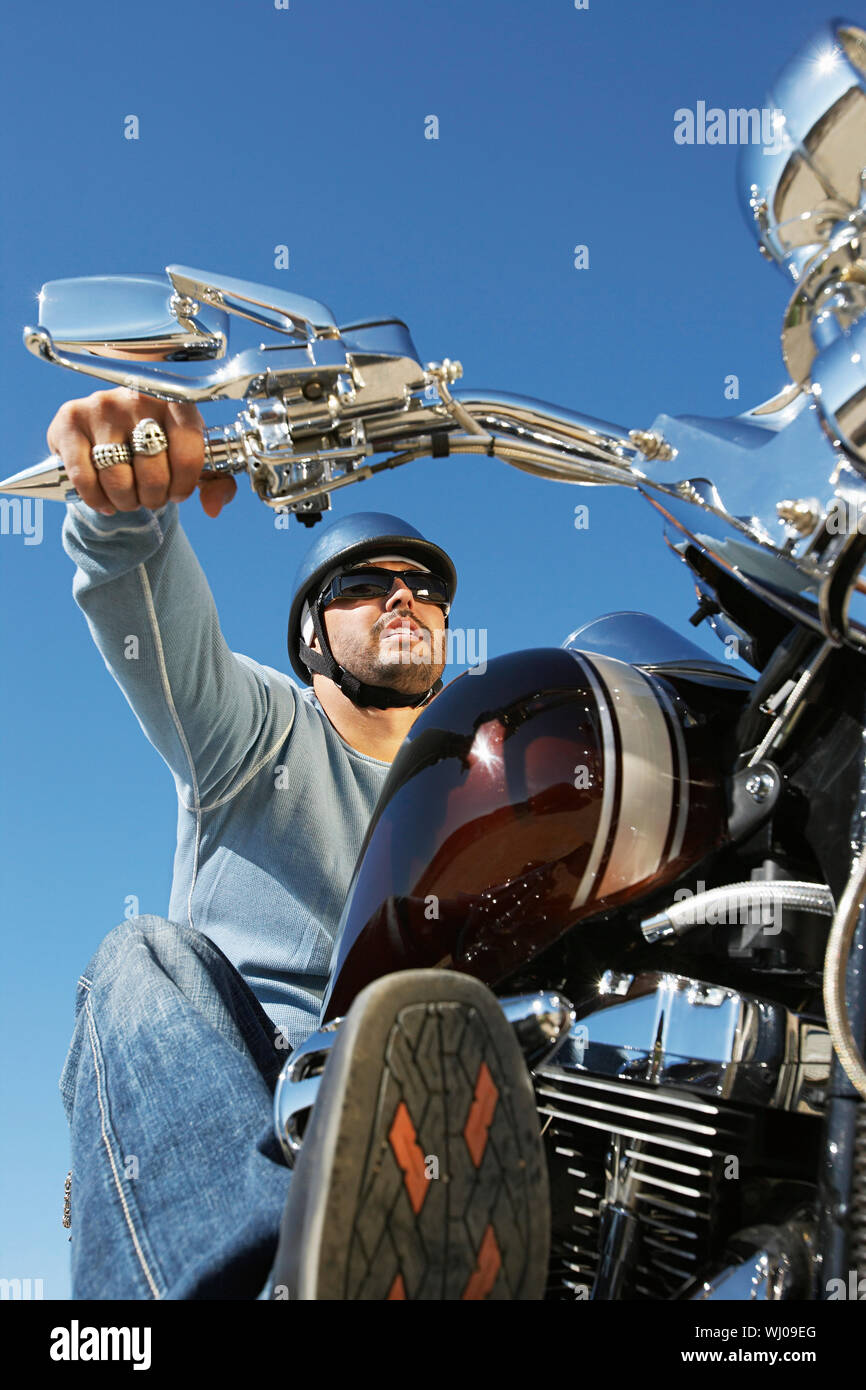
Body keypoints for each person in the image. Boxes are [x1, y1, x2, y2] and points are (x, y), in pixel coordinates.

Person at [51, 387, 550, 1301]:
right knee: (138, 957)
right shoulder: (254, 732)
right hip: (258, 1097)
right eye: (365, 585)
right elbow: (148, 614)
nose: (403, 597)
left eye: (422, 587)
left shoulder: (483, 791)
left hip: (444, 1112)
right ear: (312, 637)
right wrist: (128, 508)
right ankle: (253, 1279)